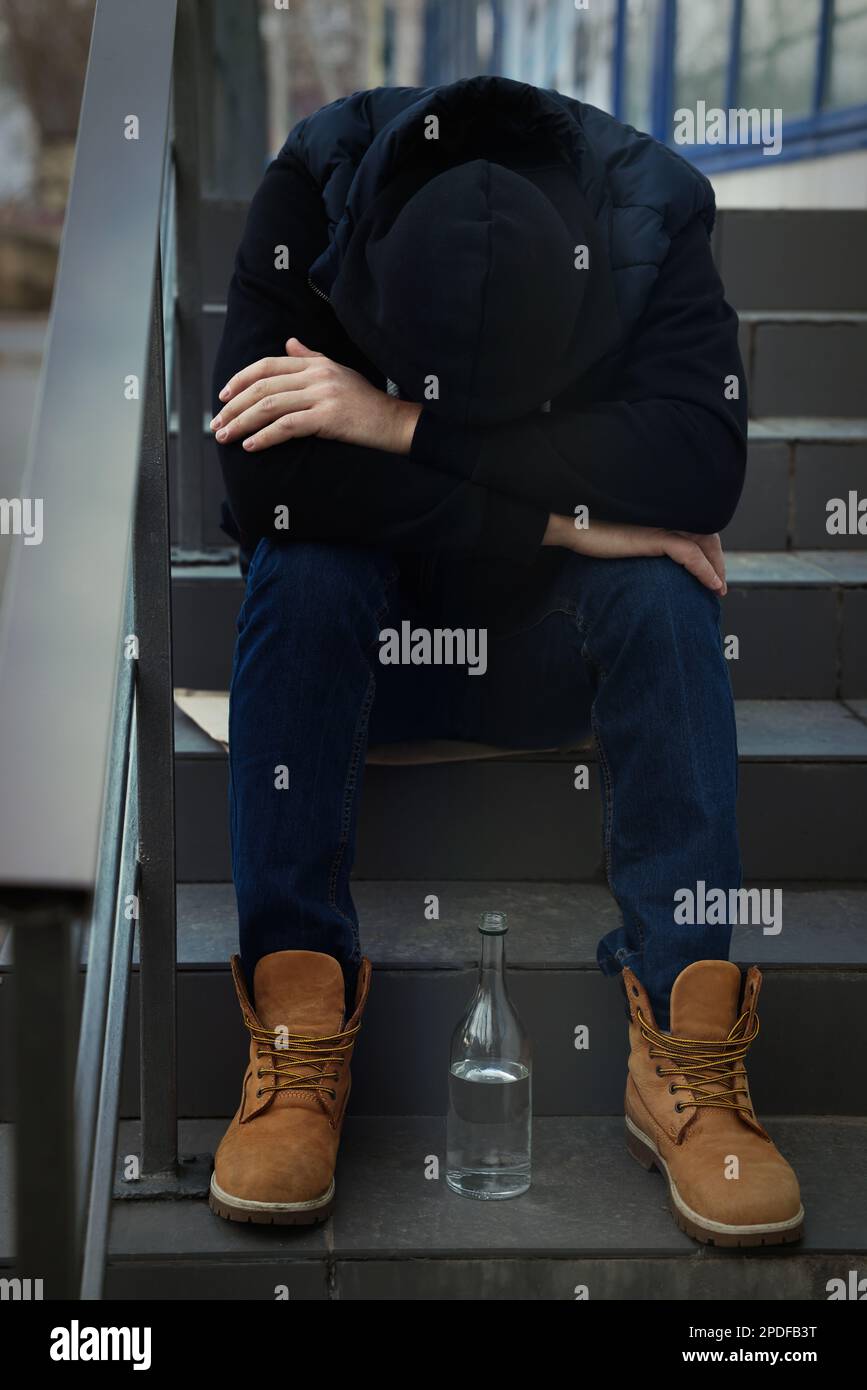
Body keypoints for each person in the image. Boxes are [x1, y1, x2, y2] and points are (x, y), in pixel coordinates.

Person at [207, 75, 803, 1246]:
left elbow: (698, 470)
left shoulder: (653, 210)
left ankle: (682, 1044)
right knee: (303, 563)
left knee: (665, 582)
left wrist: (402, 425)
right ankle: (296, 1020)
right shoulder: (310, 188)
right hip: (366, 650)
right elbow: (263, 480)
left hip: (551, 650)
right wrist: (562, 508)